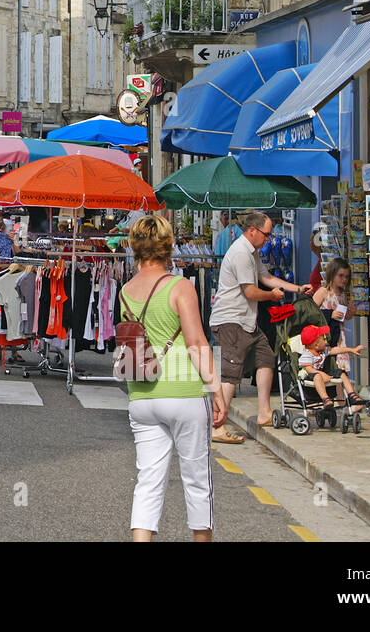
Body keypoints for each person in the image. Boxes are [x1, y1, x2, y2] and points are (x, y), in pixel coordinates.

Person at [120, 215, 224, 542]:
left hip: (142, 395)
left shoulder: (125, 291)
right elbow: (196, 343)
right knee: (197, 480)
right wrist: (217, 388)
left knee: (148, 482)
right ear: (168, 245)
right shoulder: (180, 287)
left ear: (134, 246)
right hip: (183, 393)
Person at [209, 211, 311, 442]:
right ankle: (217, 426)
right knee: (231, 375)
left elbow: (266, 277)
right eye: (266, 234)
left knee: (266, 356)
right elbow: (251, 291)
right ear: (252, 230)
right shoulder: (241, 254)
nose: (269, 239)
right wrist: (272, 296)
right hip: (231, 321)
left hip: (247, 321)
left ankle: (264, 412)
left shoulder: (251, 252)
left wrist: (296, 288)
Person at [297, 324, 364, 414]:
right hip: (310, 376)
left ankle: (352, 395)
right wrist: (322, 374)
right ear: (316, 345)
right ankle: (325, 399)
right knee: (317, 376)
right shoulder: (307, 354)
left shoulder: (322, 351)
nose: (326, 341)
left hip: (321, 373)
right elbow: (309, 369)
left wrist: (351, 349)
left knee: (341, 373)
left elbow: (335, 350)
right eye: (323, 339)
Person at [310, 258, 352, 349]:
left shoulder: (343, 295)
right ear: (332, 275)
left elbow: (344, 317)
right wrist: (330, 314)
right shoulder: (323, 292)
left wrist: (351, 311)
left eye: (347, 276)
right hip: (324, 338)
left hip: (339, 337)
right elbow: (310, 312)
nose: (344, 279)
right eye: (341, 276)